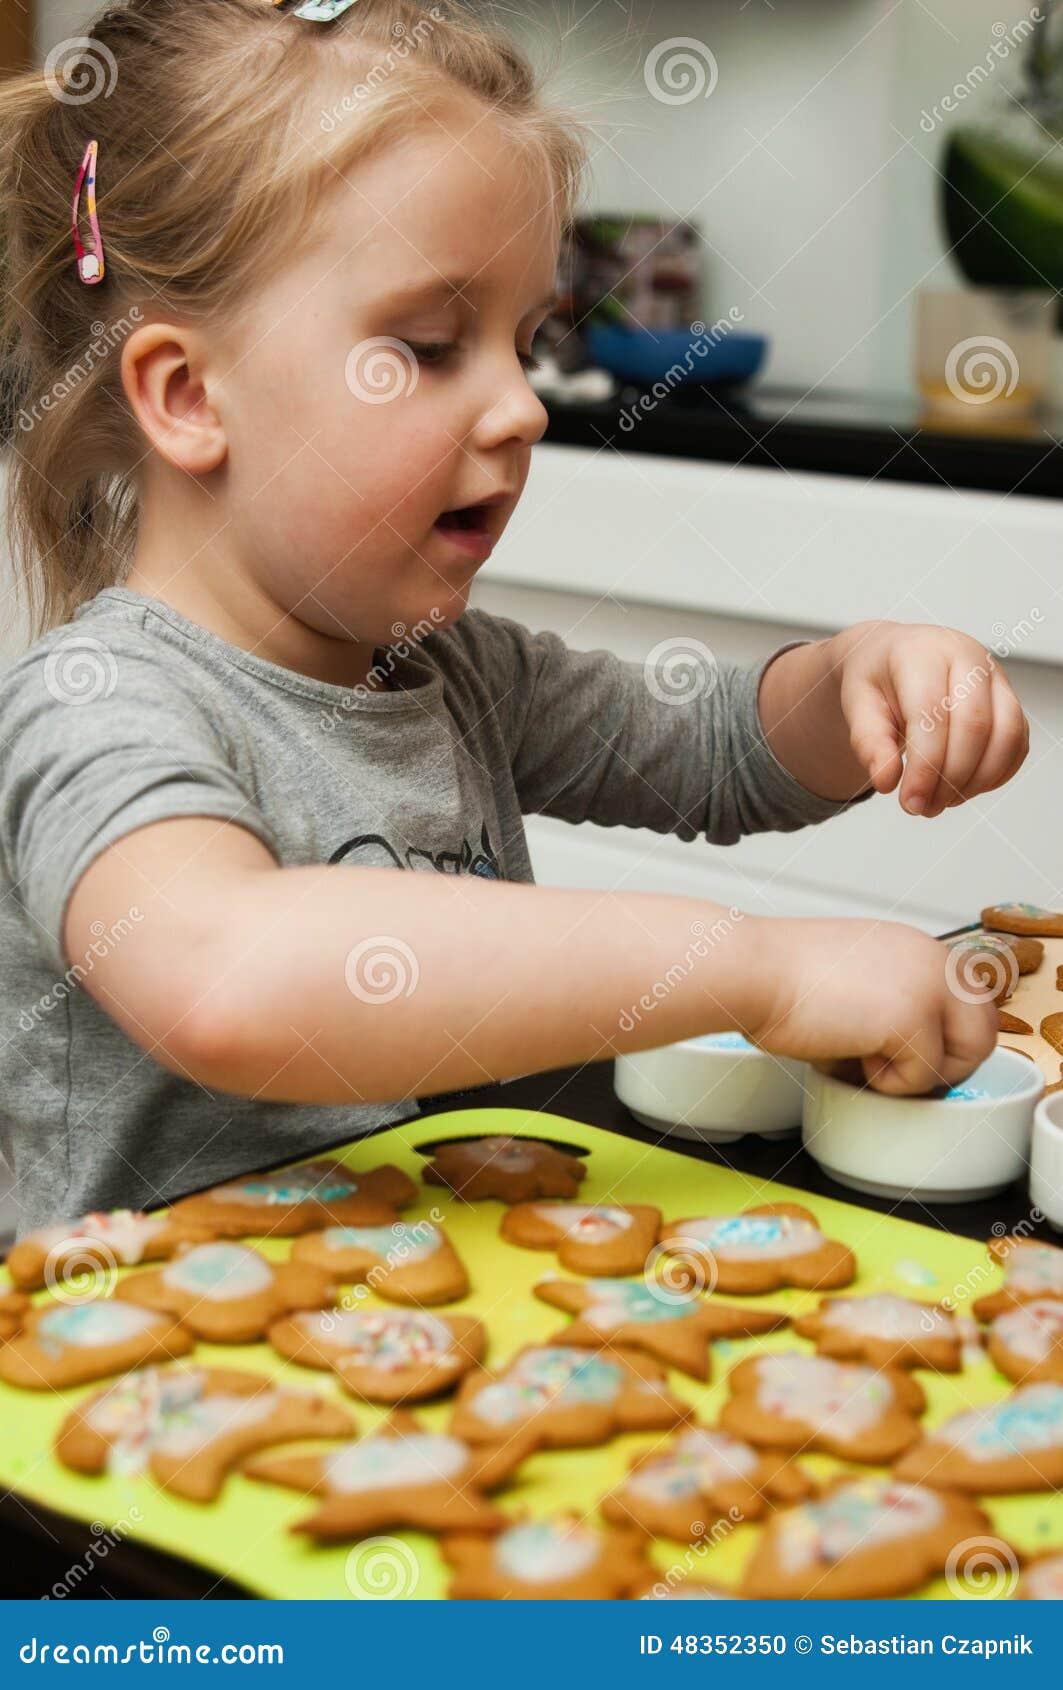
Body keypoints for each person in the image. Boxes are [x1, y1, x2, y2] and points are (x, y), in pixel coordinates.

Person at [0, 0, 1021, 1232]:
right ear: (186, 396)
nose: (523, 408)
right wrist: (754, 967)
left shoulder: (457, 675)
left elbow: (716, 752)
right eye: (432, 345)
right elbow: (226, 972)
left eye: (527, 343)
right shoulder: (96, 709)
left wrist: (854, 677)